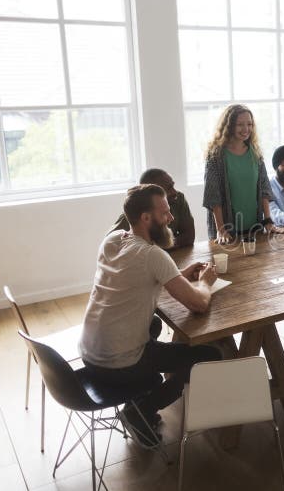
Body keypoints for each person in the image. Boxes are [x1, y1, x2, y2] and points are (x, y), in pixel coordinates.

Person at [80, 184, 221, 448]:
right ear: (146, 218)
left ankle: (141, 396)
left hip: (90, 354)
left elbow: (139, 277)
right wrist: (206, 282)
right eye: (165, 212)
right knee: (210, 354)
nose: (170, 218)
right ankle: (141, 409)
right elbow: (200, 304)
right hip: (119, 364)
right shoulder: (152, 255)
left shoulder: (112, 240)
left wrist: (177, 274)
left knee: (154, 324)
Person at [202, 104, 284, 244]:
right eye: (240, 124)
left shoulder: (255, 152)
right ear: (229, 126)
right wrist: (221, 229)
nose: (246, 129)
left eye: (249, 124)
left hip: (255, 228)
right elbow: (213, 196)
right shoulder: (216, 156)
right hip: (228, 231)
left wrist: (268, 222)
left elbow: (264, 190)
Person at [108, 168, 195, 249]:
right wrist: (152, 250)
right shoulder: (135, 213)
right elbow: (111, 245)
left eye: (172, 186)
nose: (174, 192)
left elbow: (189, 236)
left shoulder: (178, 198)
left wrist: (158, 247)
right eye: (168, 188)